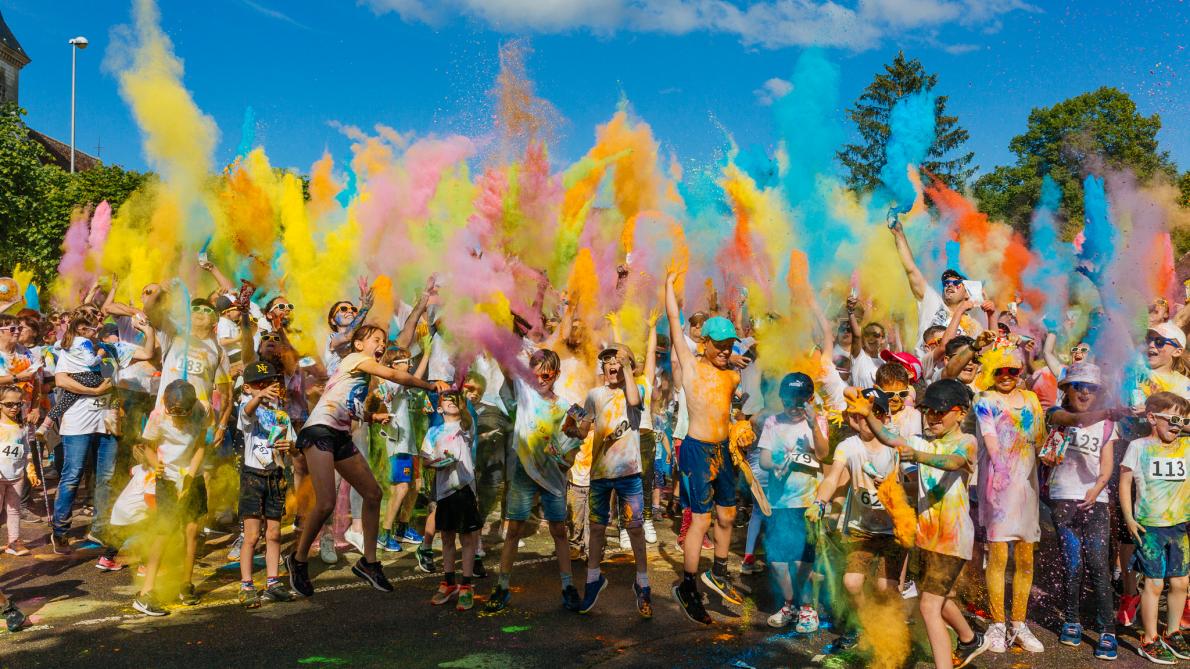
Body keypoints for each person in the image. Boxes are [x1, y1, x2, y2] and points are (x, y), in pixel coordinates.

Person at [286, 325, 448, 597]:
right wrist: (430, 385)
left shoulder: (362, 376)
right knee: (325, 502)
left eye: (384, 341)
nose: (381, 344)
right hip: (319, 432)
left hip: (338, 435)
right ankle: (298, 560)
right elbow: (397, 374)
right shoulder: (356, 359)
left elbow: (352, 406)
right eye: (376, 340)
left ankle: (369, 563)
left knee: (373, 494)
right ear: (359, 345)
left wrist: (372, 416)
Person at [852, 379, 990, 669]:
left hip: (952, 539)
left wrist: (920, 456)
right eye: (929, 411)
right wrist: (866, 414)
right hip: (928, 538)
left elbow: (953, 462)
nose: (934, 417)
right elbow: (890, 437)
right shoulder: (920, 440)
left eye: (942, 411)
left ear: (961, 413)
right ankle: (970, 640)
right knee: (938, 600)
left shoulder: (966, 441)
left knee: (928, 606)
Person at [664, 270, 744, 625]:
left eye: (730, 346)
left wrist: (743, 428)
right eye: (721, 346)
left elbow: (731, 411)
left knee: (728, 516)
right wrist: (669, 287)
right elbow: (672, 319)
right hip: (697, 450)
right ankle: (689, 587)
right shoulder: (693, 368)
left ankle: (720, 573)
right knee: (701, 519)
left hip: (724, 450)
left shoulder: (733, 375)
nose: (726, 352)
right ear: (705, 344)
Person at [50, 307, 155, 562]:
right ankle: (60, 530)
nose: (91, 330)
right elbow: (61, 380)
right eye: (85, 327)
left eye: (94, 326)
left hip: (107, 419)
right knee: (73, 474)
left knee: (105, 477)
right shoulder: (71, 347)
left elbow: (148, 353)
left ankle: (99, 529)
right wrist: (95, 392)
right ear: (77, 329)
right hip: (78, 420)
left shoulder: (112, 348)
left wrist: (148, 330)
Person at [485, 348, 584, 613]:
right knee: (514, 530)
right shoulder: (524, 394)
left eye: (547, 374)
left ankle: (568, 587)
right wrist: (501, 340)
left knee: (559, 531)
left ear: (557, 375)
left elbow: (580, 431)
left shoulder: (565, 406)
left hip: (552, 476)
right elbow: (507, 369)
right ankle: (502, 587)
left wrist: (569, 457)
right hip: (523, 473)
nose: (540, 380)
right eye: (535, 374)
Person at [1041, 362, 1128, 660]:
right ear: (1066, 390)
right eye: (1078, 386)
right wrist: (1105, 412)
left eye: (1090, 387)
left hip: (1096, 501)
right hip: (1063, 497)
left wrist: (1097, 488)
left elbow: (1106, 467)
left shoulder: (1107, 425)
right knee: (1072, 564)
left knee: (1098, 566)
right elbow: (1073, 420)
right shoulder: (1056, 415)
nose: (1084, 392)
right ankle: (1072, 620)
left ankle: (1107, 630)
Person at [973, 347, 1046, 653]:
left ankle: (1019, 622)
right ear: (991, 372)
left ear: (1020, 373)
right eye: (999, 371)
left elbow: (1040, 438)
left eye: (1013, 371)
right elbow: (989, 435)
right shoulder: (984, 401)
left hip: (1026, 489)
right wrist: (1000, 464)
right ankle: (997, 624)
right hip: (997, 487)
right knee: (999, 556)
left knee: (1026, 557)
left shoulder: (1030, 399)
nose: (1006, 377)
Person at [572, 343, 650, 617]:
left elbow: (633, 401)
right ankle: (593, 580)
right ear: (603, 367)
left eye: (619, 360)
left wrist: (628, 365)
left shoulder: (636, 389)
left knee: (635, 528)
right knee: (596, 528)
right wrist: (575, 425)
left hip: (629, 474)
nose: (613, 364)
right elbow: (582, 432)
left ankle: (643, 584)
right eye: (609, 360)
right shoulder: (594, 395)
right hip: (600, 474)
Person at [1119, 391, 1190, 664]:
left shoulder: (1185, 446)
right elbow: (1125, 483)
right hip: (1149, 527)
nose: (1177, 425)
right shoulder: (1138, 447)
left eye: (1182, 420)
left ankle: (1172, 632)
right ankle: (1149, 638)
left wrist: (1178, 421)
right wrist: (1128, 517)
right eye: (1172, 419)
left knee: (1181, 581)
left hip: (1179, 525)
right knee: (1155, 583)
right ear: (1151, 418)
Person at [130, 379, 208, 614]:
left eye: (182, 413)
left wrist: (190, 477)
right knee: (164, 532)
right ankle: (146, 592)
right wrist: (158, 467)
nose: (177, 417)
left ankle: (186, 583)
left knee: (192, 531)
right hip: (167, 479)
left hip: (191, 477)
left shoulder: (203, 410)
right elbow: (148, 447)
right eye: (172, 411)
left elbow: (200, 446)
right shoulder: (158, 415)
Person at [759, 372, 828, 633]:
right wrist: (776, 461)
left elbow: (822, 453)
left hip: (807, 501)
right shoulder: (773, 423)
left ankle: (808, 608)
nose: (794, 407)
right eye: (789, 401)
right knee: (777, 561)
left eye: (800, 402)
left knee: (802, 561)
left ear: (810, 400)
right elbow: (764, 459)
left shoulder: (817, 420)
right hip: (778, 502)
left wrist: (812, 427)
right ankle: (790, 605)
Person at [236, 361, 298, 608]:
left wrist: (289, 447)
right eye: (260, 384)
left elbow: (293, 445)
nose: (268, 388)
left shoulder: (281, 412)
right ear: (248, 388)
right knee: (251, 536)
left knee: (274, 533)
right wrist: (258, 396)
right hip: (253, 476)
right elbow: (247, 414)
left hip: (275, 476)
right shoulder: (246, 406)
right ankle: (247, 584)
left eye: (271, 383)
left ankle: (273, 582)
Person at [423, 389, 481, 612]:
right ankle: (448, 583)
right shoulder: (433, 431)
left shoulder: (466, 426)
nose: (450, 402)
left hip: (464, 489)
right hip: (444, 491)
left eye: (454, 400)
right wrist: (434, 462)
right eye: (445, 400)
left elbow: (466, 415)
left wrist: (463, 401)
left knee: (467, 538)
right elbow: (425, 457)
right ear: (439, 408)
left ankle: (466, 585)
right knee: (447, 537)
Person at [367, 344, 429, 552]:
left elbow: (413, 382)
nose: (410, 365)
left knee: (415, 485)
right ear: (393, 365)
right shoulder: (391, 381)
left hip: (408, 444)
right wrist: (427, 354)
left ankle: (402, 528)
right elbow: (412, 380)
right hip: (397, 444)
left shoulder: (398, 383)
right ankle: (384, 534)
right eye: (406, 362)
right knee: (401, 488)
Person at [0, 385, 36, 556]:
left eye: (18, 404)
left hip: (17, 476)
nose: (14, 407)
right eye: (9, 404)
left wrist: (31, 468)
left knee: (14, 509)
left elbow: (26, 450)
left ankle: (13, 542)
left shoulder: (23, 427)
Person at [845, 295, 885, 389]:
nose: (871, 338)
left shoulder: (884, 364)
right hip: (860, 403)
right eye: (867, 334)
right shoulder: (859, 356)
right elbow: (857, 335)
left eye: (876, 335)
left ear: (882, 339)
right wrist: (850, 311)